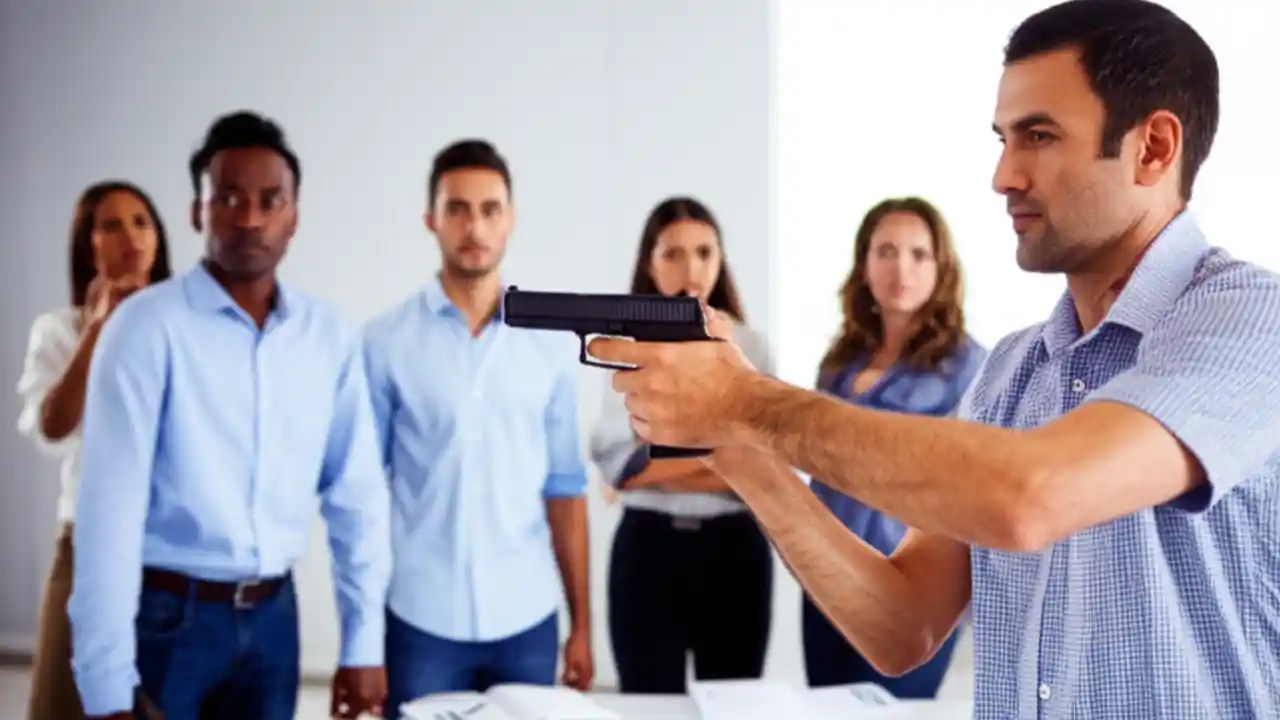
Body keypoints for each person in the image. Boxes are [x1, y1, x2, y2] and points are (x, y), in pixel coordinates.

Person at [588, 0, 1280, 716]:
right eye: (1003, 139)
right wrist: (736, 446)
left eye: (1039, 136)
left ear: (1154, 148)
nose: (1003, 176)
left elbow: (1030, 497)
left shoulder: (1253, 321)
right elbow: (902, 624)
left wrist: (746, 402)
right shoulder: (1011, 372)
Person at [67, 111, 392, 720]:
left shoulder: (327, 336)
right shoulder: (144, 330)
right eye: (229, 198)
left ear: (294, 216)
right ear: (198, 211)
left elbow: (357, 495)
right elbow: (109, 510)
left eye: (271, 200)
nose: (249, 218)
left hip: (275, 620)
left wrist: (363, 642)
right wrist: (104, 685)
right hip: (169, 619)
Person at [363, 139, 593, 715]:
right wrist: (360, 638)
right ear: (431, 219)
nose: (475, 227)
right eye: (457, 209)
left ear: (511, 218)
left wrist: (583, 625)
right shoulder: (386, 342)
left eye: (490, 209)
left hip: (527, 618)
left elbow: (566, 490)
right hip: (421, 620)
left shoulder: (549, 345)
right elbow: (361, 496)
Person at [589, 196, 774, 694]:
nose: (691, 269)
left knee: (735, 703)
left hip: (734, 551)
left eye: (704, 253)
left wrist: (657, 459)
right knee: (649, 703)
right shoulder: (623, 348)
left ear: (721, 261)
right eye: (672, 254)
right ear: (649, 263)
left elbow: (769, 465)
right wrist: (728, 459)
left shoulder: (752, 348)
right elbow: (621, 467)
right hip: (649, 550)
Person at [803, 197, 985, 698]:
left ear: (941, 267)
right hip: (826, 577)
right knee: (829, 709)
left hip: (908, 589)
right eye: (885, 251)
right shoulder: (839, 362)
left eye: (918, 254)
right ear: (863, 264)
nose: (901, 269)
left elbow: (966, 478)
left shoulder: (970, 367)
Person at [16, 180, 173, 720]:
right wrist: (99, 329)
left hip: (172, 552)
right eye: (111, 225)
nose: (131, 236)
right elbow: (53, 427)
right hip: (88, 544)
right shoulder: (59, 330)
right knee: (63, 704)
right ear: (89, 243)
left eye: (141, 222)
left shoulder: (185, 325)